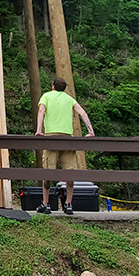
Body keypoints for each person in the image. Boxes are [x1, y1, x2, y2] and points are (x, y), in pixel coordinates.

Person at [35, 77, 94, 215]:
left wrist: (39, 130)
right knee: (70, 172)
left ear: (53, 86)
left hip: (51, 137)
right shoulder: (69, 99)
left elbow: (41, 111)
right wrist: (91, 131)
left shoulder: (47, 96)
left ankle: (46, 203)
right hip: (68, 138)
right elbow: (83, 113)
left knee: (48, 171)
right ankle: (68, 204)